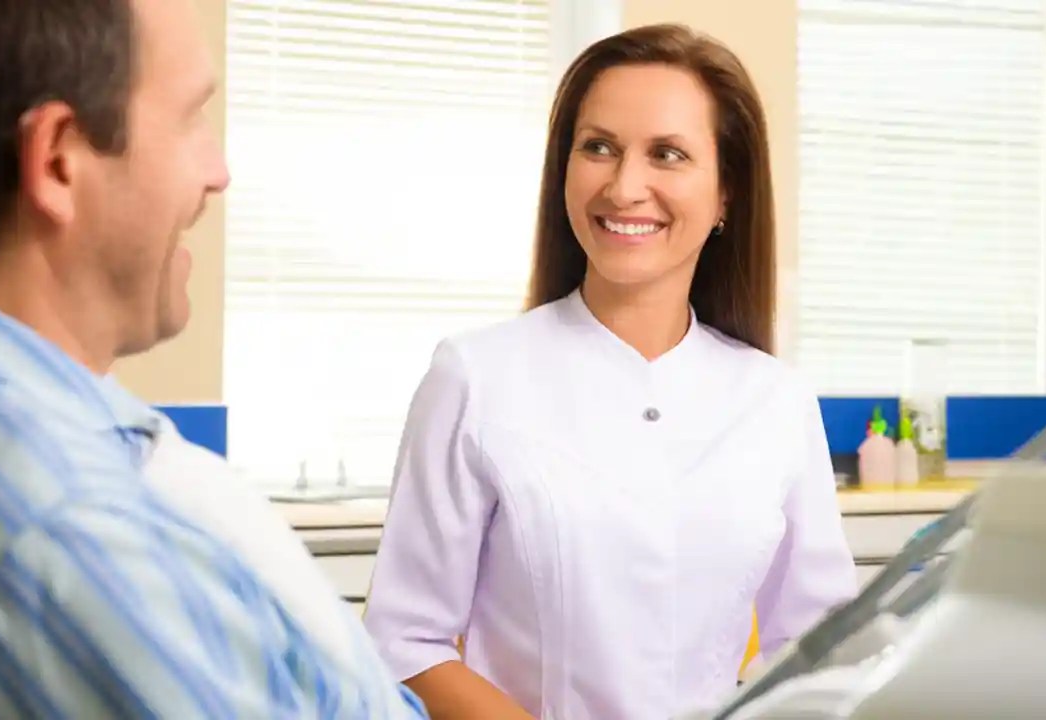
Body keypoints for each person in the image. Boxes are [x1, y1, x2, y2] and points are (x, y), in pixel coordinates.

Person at [0, 0, 428, 717]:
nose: (218, 172)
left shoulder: (55, 442)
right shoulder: (74, 533)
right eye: (190, 118)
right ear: (57, 160)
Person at [363, 22, 858, 720]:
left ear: (726, 195)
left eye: (668, 154)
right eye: (598, 147)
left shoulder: (775, 400)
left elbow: (819, 645)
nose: (626, 186)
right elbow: (402, 640)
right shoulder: (476, 377)